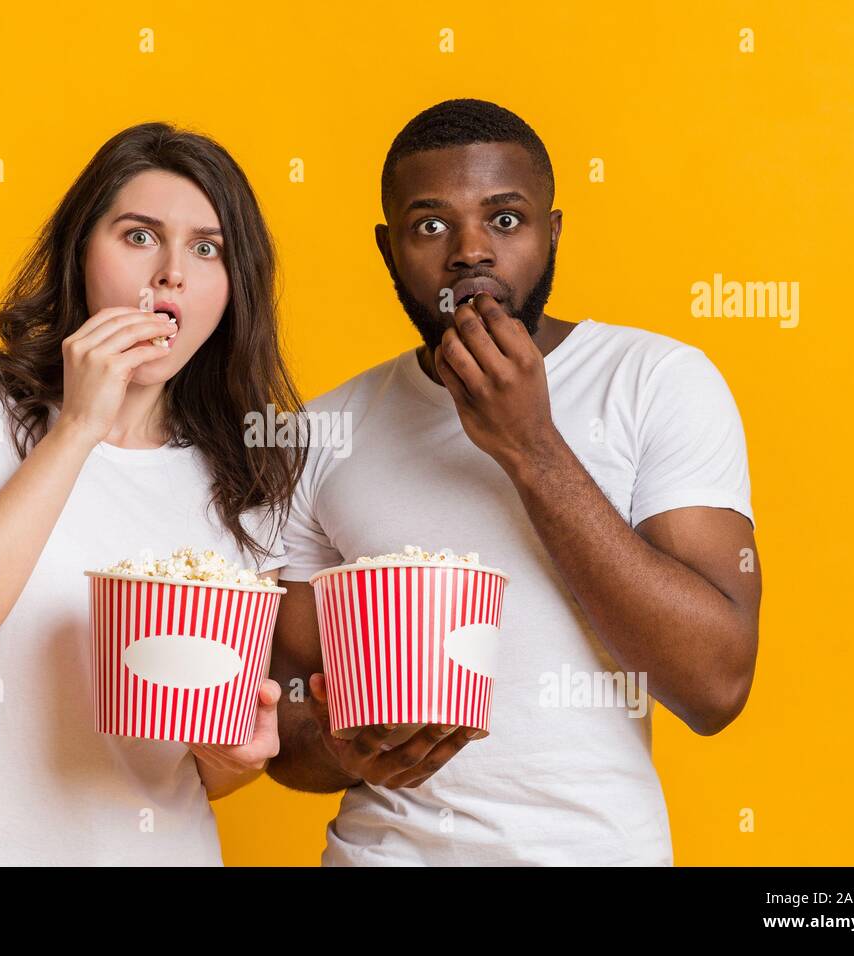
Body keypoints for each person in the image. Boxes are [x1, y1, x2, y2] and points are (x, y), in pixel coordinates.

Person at [266, 98, 762, 865]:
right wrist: (345, 752)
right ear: (388, 247)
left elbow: (716, 684)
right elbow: (285, 722)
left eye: (505, 219)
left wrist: (532, 446)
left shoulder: (657, 381)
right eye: (430, 225)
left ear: (552, 232)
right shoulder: (318, 435)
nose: (471, 252)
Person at [0, 122, 305, 865]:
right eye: (138, 236)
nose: (171, 274)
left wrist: (238, 757)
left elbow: (201, 762)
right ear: (80, 254)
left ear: (232, 289)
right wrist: (79, 428)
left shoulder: (246, 476)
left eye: (206, 249)